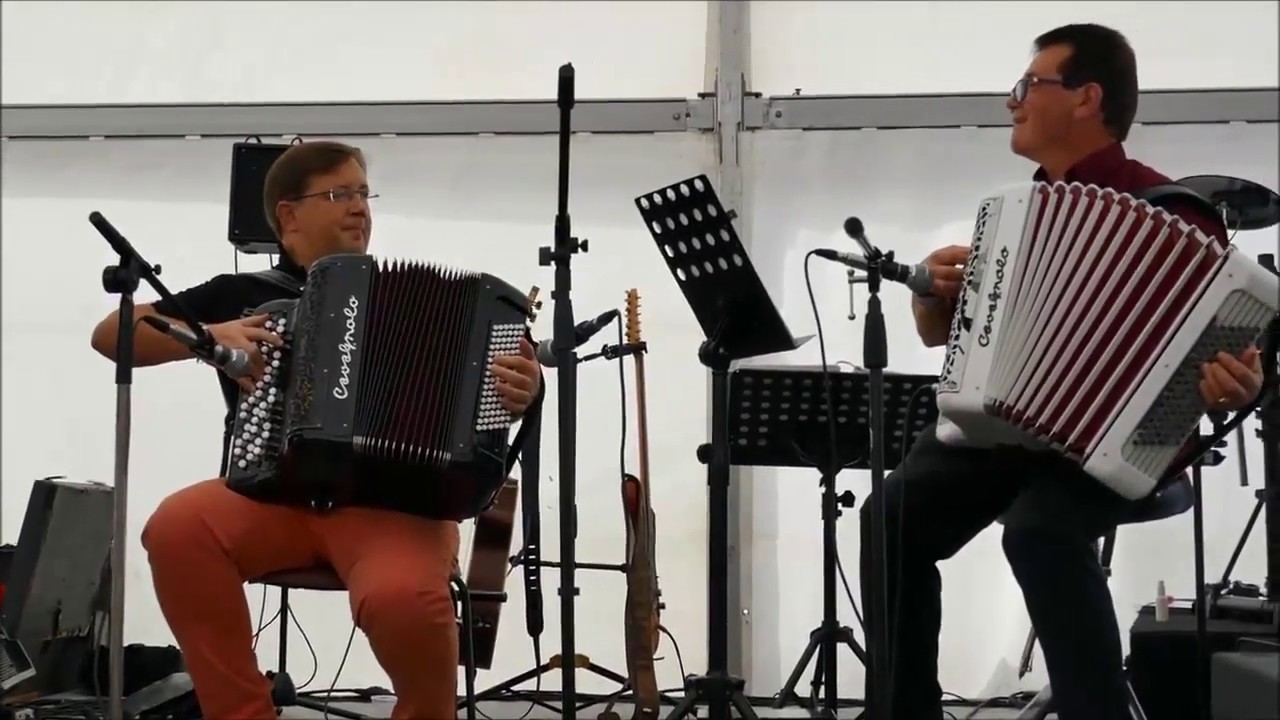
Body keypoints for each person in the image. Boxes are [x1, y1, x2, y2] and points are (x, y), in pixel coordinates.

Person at [859, 24, 1265, 720]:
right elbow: (947, 343)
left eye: (1028, 86)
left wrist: (1238, 384)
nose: (1012, 102)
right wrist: (931, 298)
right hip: (1008, 433)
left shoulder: (1179, 214)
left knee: (1039, 529)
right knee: (890, 517)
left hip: (1122, 444)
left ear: (1087, 99)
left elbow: (1231, 363)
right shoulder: (1012, 219)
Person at [89, 140, 544, 720]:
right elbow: (112, 335)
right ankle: (242, 712)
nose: (359, 208)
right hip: (278, 495)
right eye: (338, 194)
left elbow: (507, 391)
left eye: (362, 193)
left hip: (401, 507)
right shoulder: (243, 295)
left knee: (402, 599)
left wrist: (526, 389)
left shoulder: (423, 301)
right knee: (178, 528)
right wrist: (214, 333)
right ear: (288, 215)